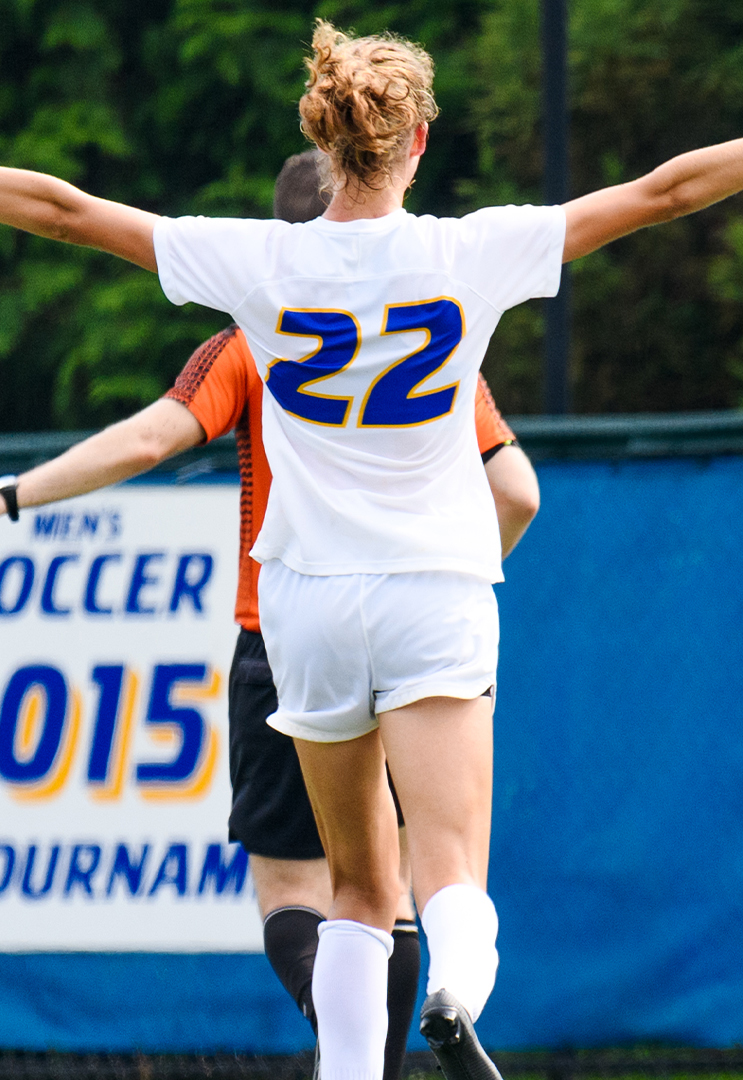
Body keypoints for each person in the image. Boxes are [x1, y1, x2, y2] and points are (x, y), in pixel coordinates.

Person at [0, 20, 743, 1080]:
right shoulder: (467, 252)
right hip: (435, 583)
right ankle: (456, 991)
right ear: (419, 141)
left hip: (303, 601)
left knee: (352, 887)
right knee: (447, 870)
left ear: (323, 138)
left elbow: (64, 210)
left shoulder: (257, 261)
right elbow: (665, 192)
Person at [0, 148, 536, 1080]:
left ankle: (348, 1056)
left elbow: (154, 433)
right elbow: (517, 490)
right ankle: (427, 1021)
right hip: (425, 616)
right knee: (411, 889)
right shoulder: (441, 321)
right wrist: (457, 577)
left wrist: (19, 496)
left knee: (312, 897)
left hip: (287, 634)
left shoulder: (259, 324)